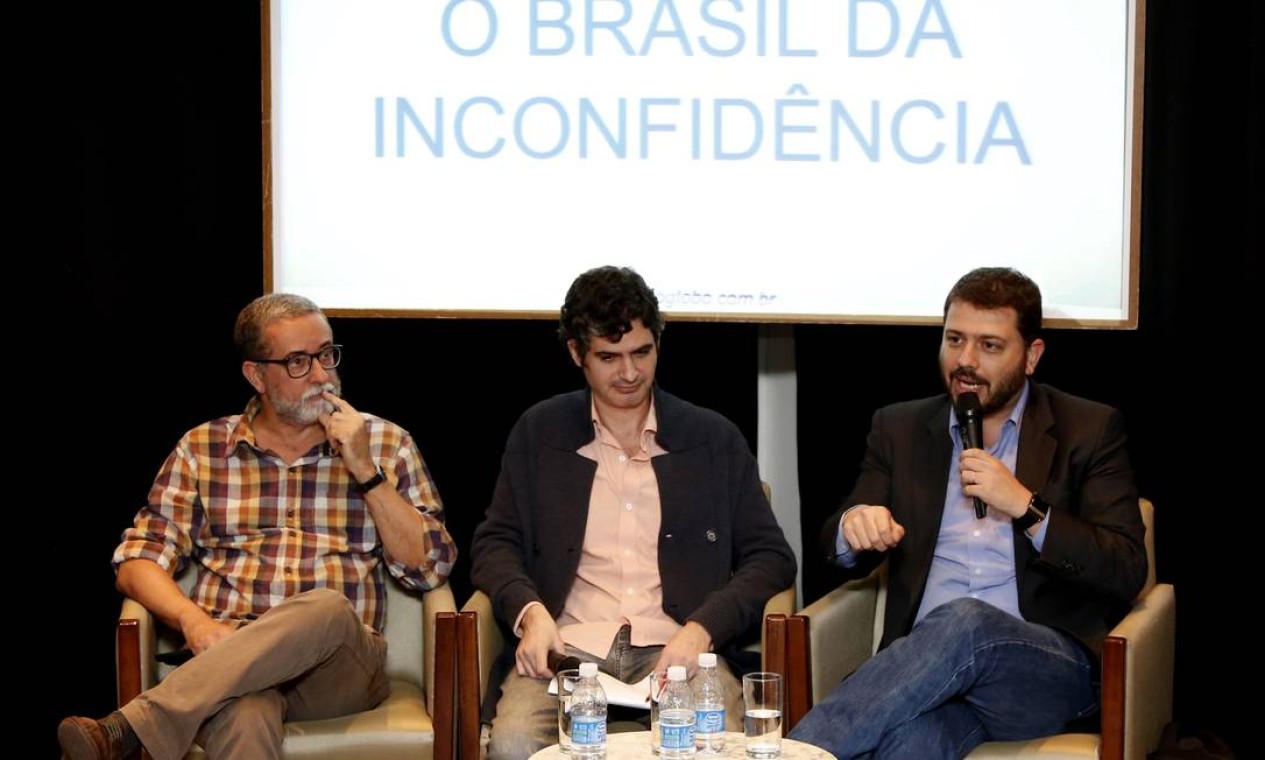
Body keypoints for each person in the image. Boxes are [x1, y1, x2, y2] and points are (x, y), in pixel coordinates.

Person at [57, 293, 458, 760]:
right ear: (256, 375)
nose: (322, 375)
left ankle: (130, 727)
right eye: (298, 362)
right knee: (244, 711)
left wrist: (366, 470)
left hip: (338, 669)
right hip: (229, 658)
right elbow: (137, 562)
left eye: (326, 355)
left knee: (326, 608)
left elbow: (429, 569)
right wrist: (193, 621)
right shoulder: (203, 449)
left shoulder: (386, 443)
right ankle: (137, 727)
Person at [788, 267, 1149, 759]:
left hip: (1041, 670)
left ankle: (797, 751)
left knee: (968, 621)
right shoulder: (900, 427)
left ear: (1031, 356)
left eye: (990, 346)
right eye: (954, 339)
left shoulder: (1089, 429)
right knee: (906, 745)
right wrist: (854, 526)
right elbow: (841, 533)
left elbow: (1126, 568)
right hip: (931, 671)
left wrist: (1026, 506)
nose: (966, 361)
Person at [470, 265, 797, 760]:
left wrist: (702, 628)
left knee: (721, 746)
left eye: (642, 353)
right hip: (568, 652)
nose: (629, 373)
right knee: (513, 744)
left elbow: (771, 557)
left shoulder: (712, 439)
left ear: (658, 343)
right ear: (576, 353)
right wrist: (530, 614)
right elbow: (495, 544)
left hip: (680, 651)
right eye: (609, 357)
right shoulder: (540, 433)